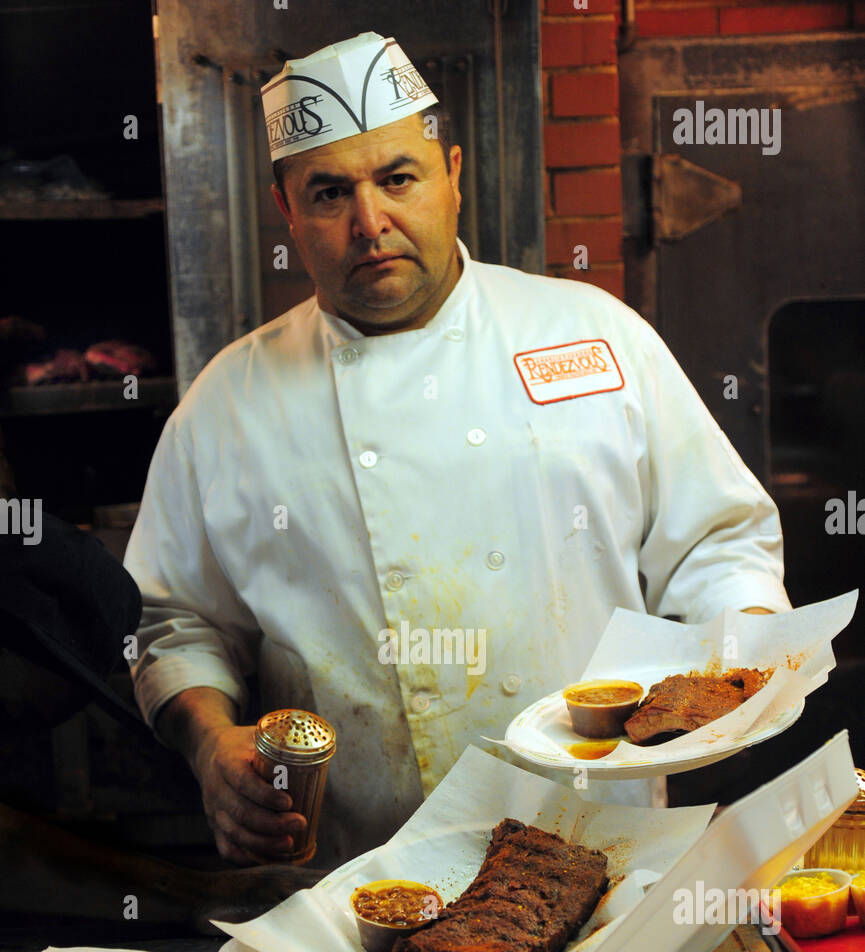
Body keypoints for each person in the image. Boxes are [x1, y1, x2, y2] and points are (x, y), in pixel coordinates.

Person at [124, 32, 788, 871]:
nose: (371, 223)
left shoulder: (594, 338)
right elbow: (170, 619)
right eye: (329, 192)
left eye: (397, 177)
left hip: (607, 850)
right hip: (358, 880)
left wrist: (735, 669)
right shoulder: (226, 404)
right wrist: (211, 743)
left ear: (453, 176)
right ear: (285, 209)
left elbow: (718, 543)